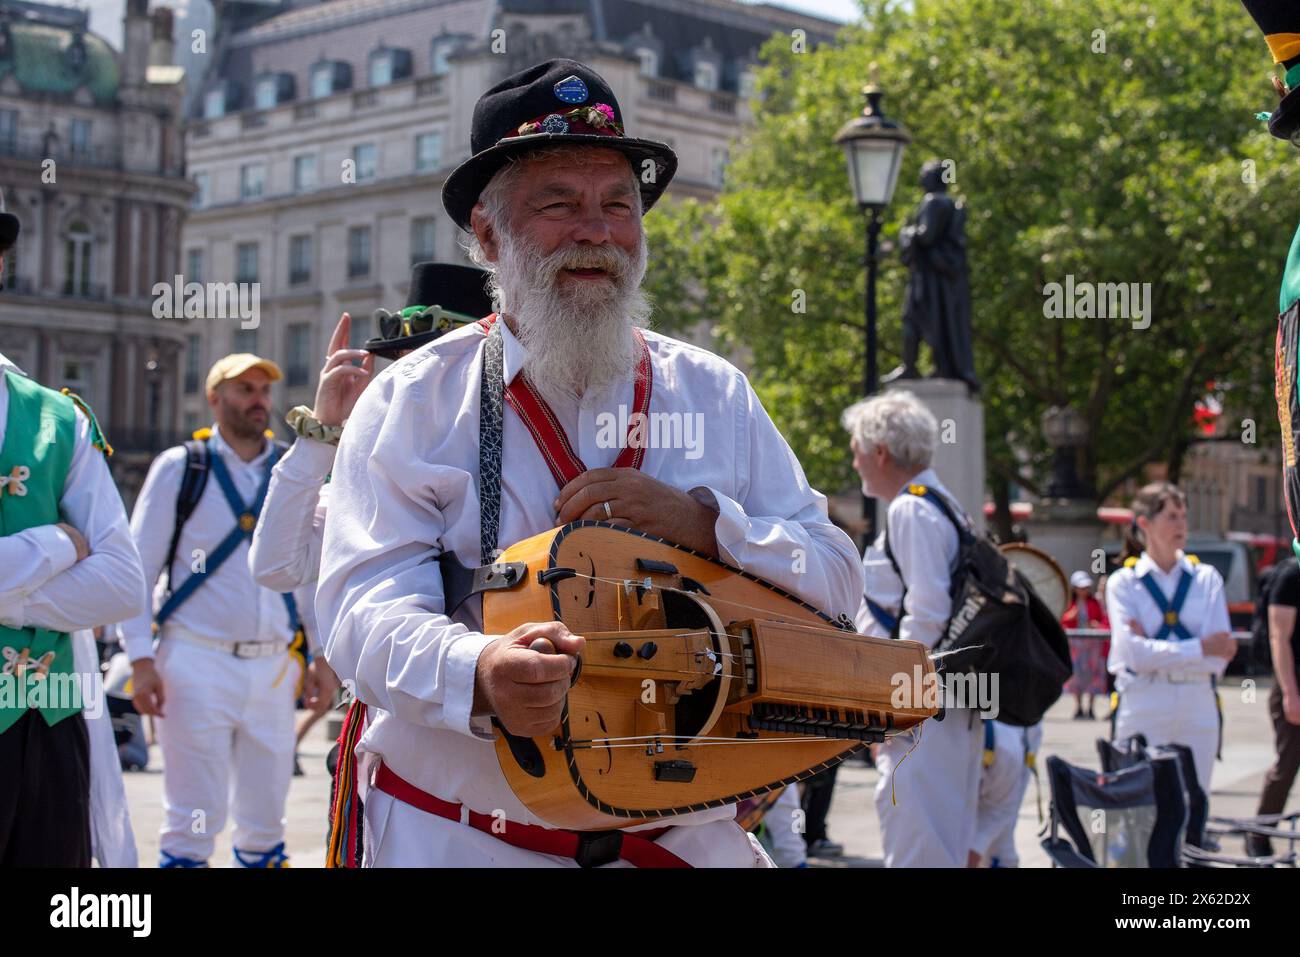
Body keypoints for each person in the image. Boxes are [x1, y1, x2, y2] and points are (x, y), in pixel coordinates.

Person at [316, 57, 861, 868]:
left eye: (618, 205)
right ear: (490, 236)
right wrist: (479, 670)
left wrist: (711, 529)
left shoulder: (713, 391)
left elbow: (838, 578)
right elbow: (359, 611)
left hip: (679, 842)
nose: (597, 232)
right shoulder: (417, 400)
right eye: (558, 204)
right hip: (468, 841)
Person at [248, 263, 493, 771]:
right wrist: (322, 434)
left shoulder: (522, 455)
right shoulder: (370, 468)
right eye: (402, 361)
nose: (409, 377)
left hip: (497, 738)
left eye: (428, 359)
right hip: (392, 747)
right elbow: (275, 565)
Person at [119, 355, 333, 867]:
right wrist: (140, 660)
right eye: (244, 389)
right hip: (194, 659)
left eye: (263, 389)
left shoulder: (291, 470)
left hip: (274, 666)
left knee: (266, 822)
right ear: (215, 399)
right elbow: (137, 570)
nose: (259, 399)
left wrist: (321, 654)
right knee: (191, 818)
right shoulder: (181, 467)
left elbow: (305, 572)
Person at [0, 338, 146, 866]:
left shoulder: (58, 418)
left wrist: (11, 602)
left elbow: (121, 585)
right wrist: (53, 546)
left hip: (46, 722)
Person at [844, 390, 982, 868]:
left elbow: (925, 612)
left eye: (858, 448)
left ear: (881, 451)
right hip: (945, 704)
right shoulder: (942, 503)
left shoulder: (911, 508)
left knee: (916, 840)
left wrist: (894, 704)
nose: (855, 461)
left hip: (921, 711)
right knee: (938, 836)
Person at [1105, 482, 1236, 797]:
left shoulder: (1207, 579)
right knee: (1138, 804)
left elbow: (1221, 655)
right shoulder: (1124, 583)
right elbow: (1132, 655)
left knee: (1195, 802)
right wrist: (1199, 647)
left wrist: (1155, 650)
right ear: (1144, 524)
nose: (1181, 525)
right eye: (1171, 517)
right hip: (1143, 698)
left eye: (1183, 516)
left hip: (1198, 698)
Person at [1247, 552, 1300, 856]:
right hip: (1292, 684)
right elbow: (1279, 637)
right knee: (1287, 766)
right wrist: (1291, 693)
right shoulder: (1291, 575)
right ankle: (1259, 835)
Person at [1061, 570, 1110, 719]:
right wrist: (1071, 616)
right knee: (1076, 676)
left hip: (1093, 646)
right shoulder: (1069, 603)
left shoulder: (1094, 603)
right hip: (1075, 646)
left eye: (1086, 587)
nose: (1084, 590)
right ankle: (1079, 706)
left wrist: (1096, 625)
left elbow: (1103, 621)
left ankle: (1091, 707)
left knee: (1093, 675)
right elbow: (1062, 621)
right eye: (1081, 587)